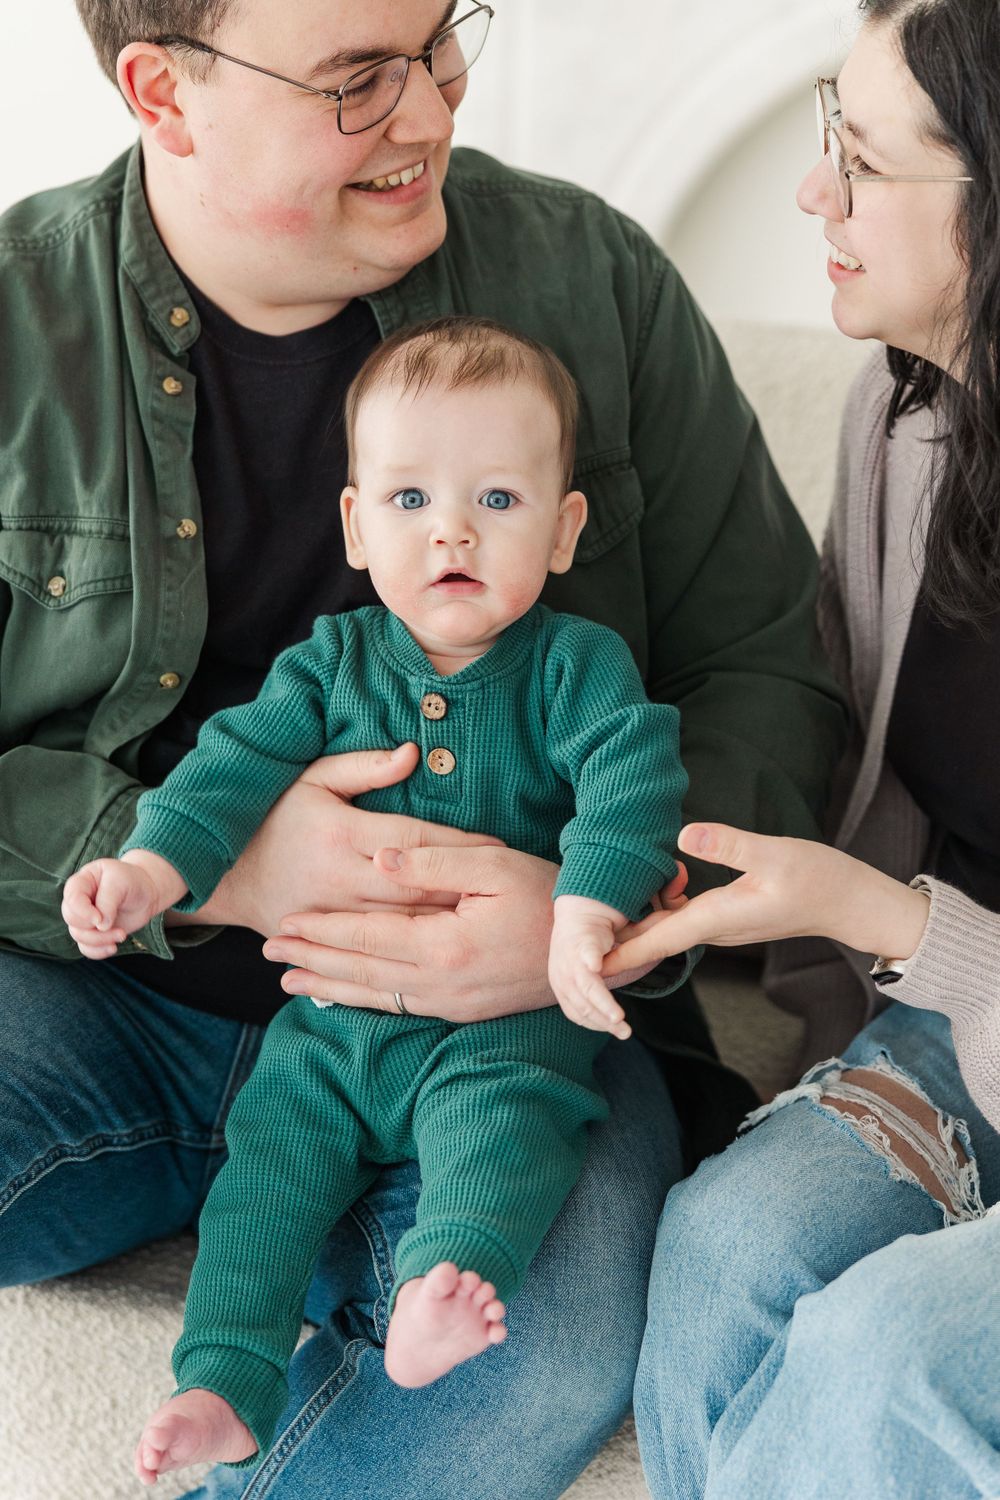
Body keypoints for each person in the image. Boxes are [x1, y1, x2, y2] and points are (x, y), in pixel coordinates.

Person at [0, 1, 844, 1494]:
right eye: (359, 79)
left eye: (444, 39)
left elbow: (767, 670)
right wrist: (194, 863)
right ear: (162, 92)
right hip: (101, 1003)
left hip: (519, 1032)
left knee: (541, 1351)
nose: (432, 112)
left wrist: (599, 915)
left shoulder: (591, 278)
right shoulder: (17, 320)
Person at [62, 314, 693, 1482]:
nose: (451, 527)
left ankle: (439, 1290)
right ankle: (222, 1381)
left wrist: (583, 913)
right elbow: (227, 773)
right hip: (330, 1025)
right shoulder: (329, 665)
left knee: (505, 1139)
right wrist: (148, 869)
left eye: (496, 501)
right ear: (356, 526)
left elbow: (631, 787)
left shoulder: (575, 668)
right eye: (410, 501)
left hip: (504, 1029)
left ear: (562, 533)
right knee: (266, 1176)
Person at [621, 3, 1000, 1496]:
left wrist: (879, 922)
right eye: (820, 136)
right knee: (724, 1253)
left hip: (953, 977)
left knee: (884, 1354)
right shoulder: (902, 418)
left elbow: (873, 899)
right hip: (952, 1024)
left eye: (862, 157)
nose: (811, 194)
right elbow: (840, 761)